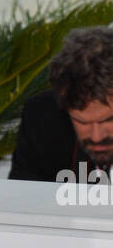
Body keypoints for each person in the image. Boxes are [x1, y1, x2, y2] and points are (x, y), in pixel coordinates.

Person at [10, 27, 113, 181]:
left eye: (108, 120)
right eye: (82, 122)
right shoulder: (41, 117)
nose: (96, 137)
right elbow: (22, 196)